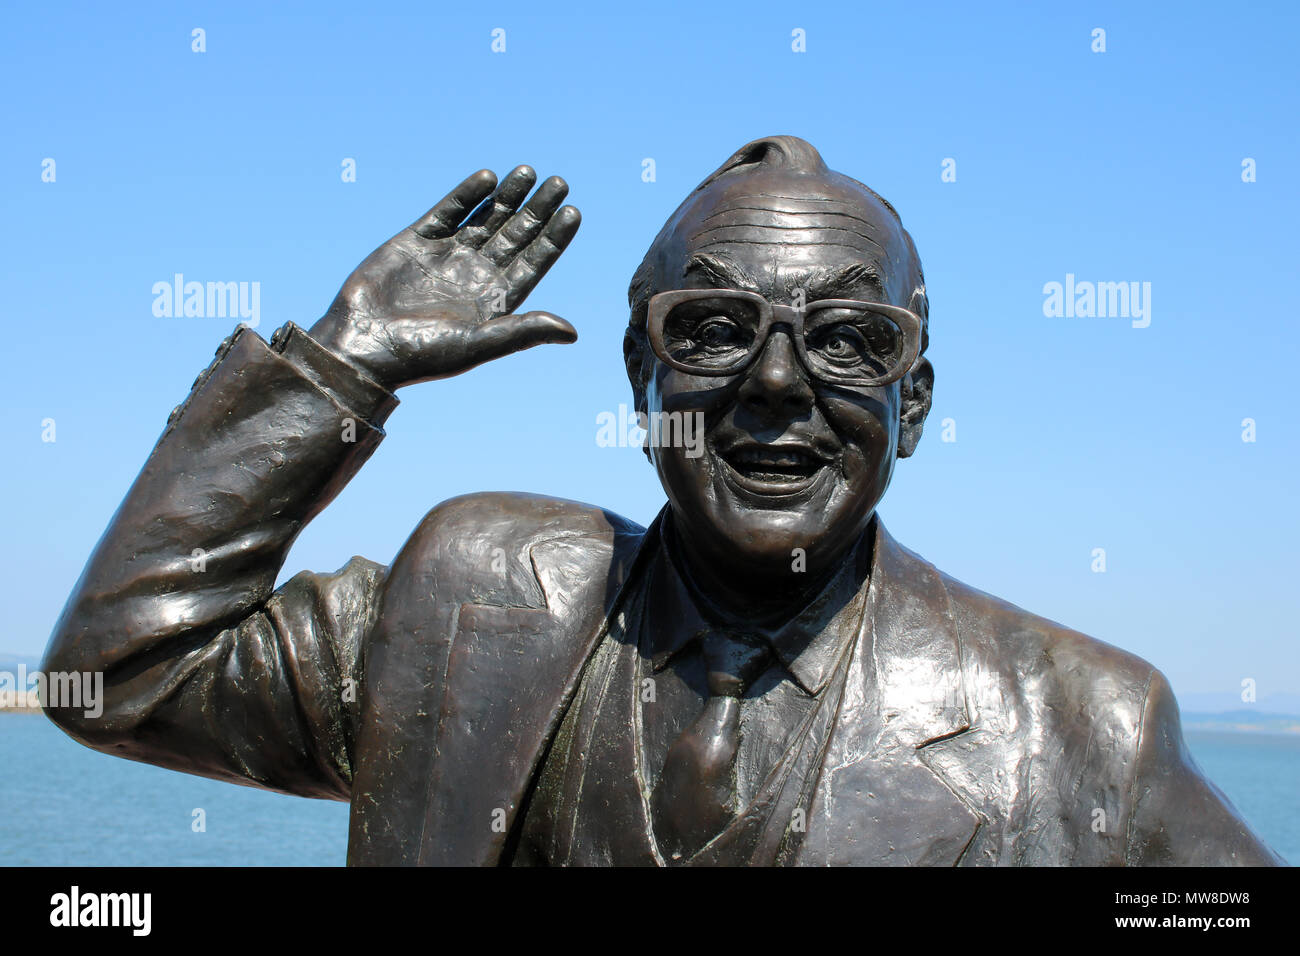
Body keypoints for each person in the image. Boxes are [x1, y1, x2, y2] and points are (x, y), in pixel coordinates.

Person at [43, 136, 1282, 866]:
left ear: (915, 399)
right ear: (642, 381)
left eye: (849, 338)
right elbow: (119, 673)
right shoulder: (469, 593)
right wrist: (340, 366)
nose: (776, 385)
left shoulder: (1079, 730)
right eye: (713, 330)